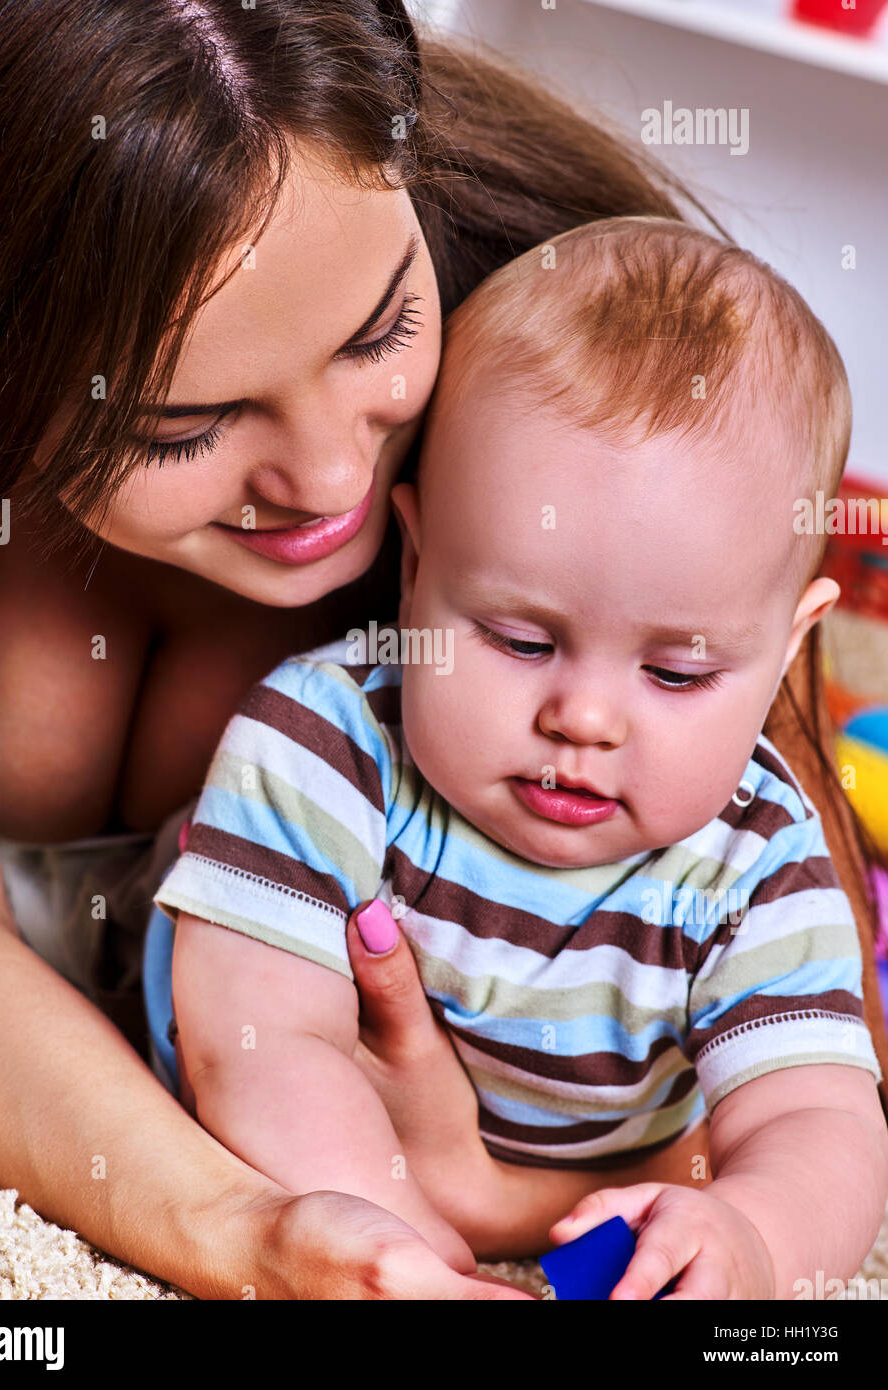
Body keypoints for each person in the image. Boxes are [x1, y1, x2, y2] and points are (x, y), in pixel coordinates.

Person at [0, 0, 884, 1300]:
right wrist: (281, 1226)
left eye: (376, 331)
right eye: (181, 421)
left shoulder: (555, 381)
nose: (329, 479)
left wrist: (506, 1193)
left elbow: (790, 1105)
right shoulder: (315, 729)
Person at [156, 218, 888, 1298]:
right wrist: (394, 1227)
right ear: (417, 564)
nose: (584, 719)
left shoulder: (757, 859)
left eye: (676, 674)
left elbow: (818, 1120)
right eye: (521, 640)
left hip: (570, 1178)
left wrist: (753, 1233)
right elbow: (258, 1045)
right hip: (326, 1111)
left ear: (786, 645)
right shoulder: (326, 739)